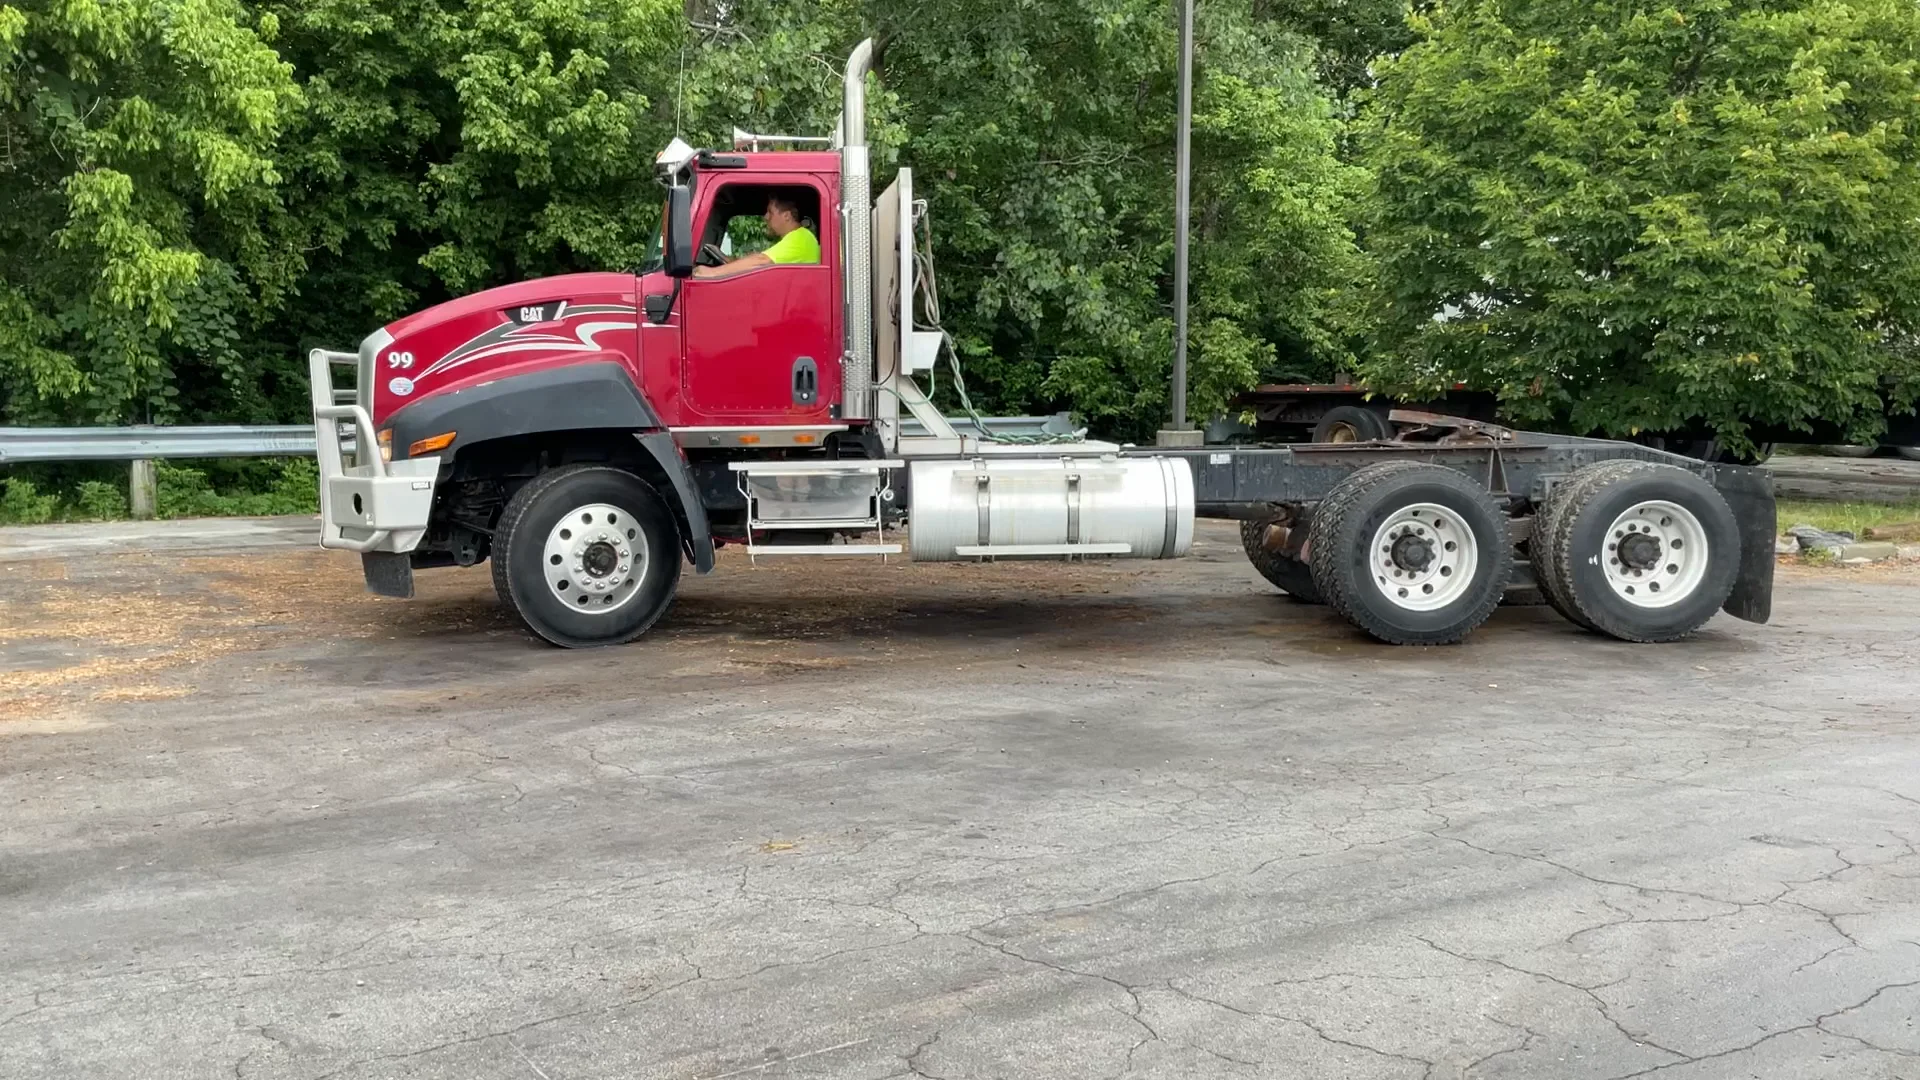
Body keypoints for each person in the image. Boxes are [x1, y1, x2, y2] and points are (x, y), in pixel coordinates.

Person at [693, 191, 819, 278]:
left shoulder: (801, 238)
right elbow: (763, 258)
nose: (766, 217)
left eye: (770, 212)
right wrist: (729, 261)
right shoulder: (798, 238)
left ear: (786, 216)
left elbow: (762, 261)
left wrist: (712, 273)